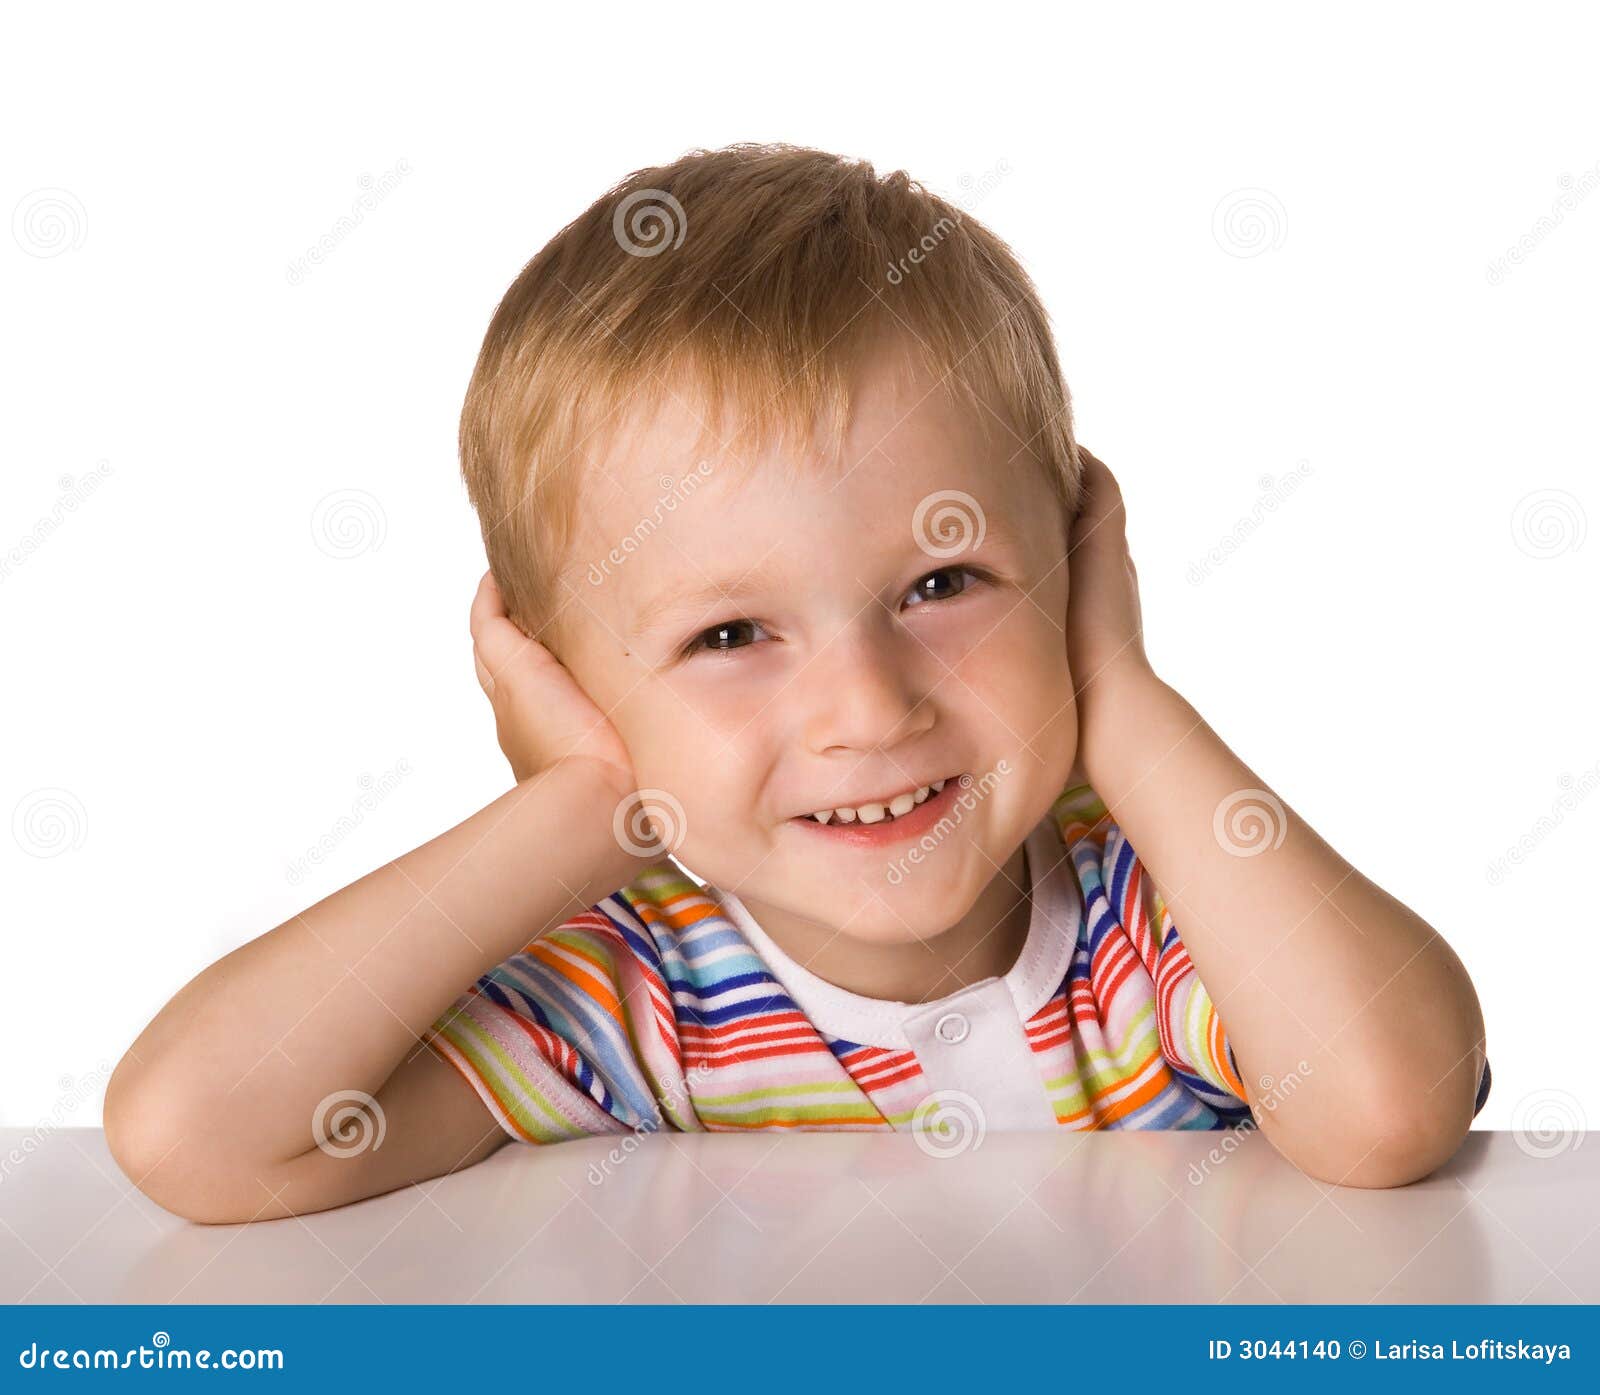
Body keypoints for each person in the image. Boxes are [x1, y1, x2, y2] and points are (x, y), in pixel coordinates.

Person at [104, 143, 1490, 1223]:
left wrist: (1117, 698)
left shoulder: (1156, 918)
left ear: (1071, 569)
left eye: (944, 585)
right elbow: (199, 1137)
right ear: (561, 672)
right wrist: (586, 806)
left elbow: (1388, 1112)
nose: (871, 708)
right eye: (729, 637)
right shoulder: (636, 993)